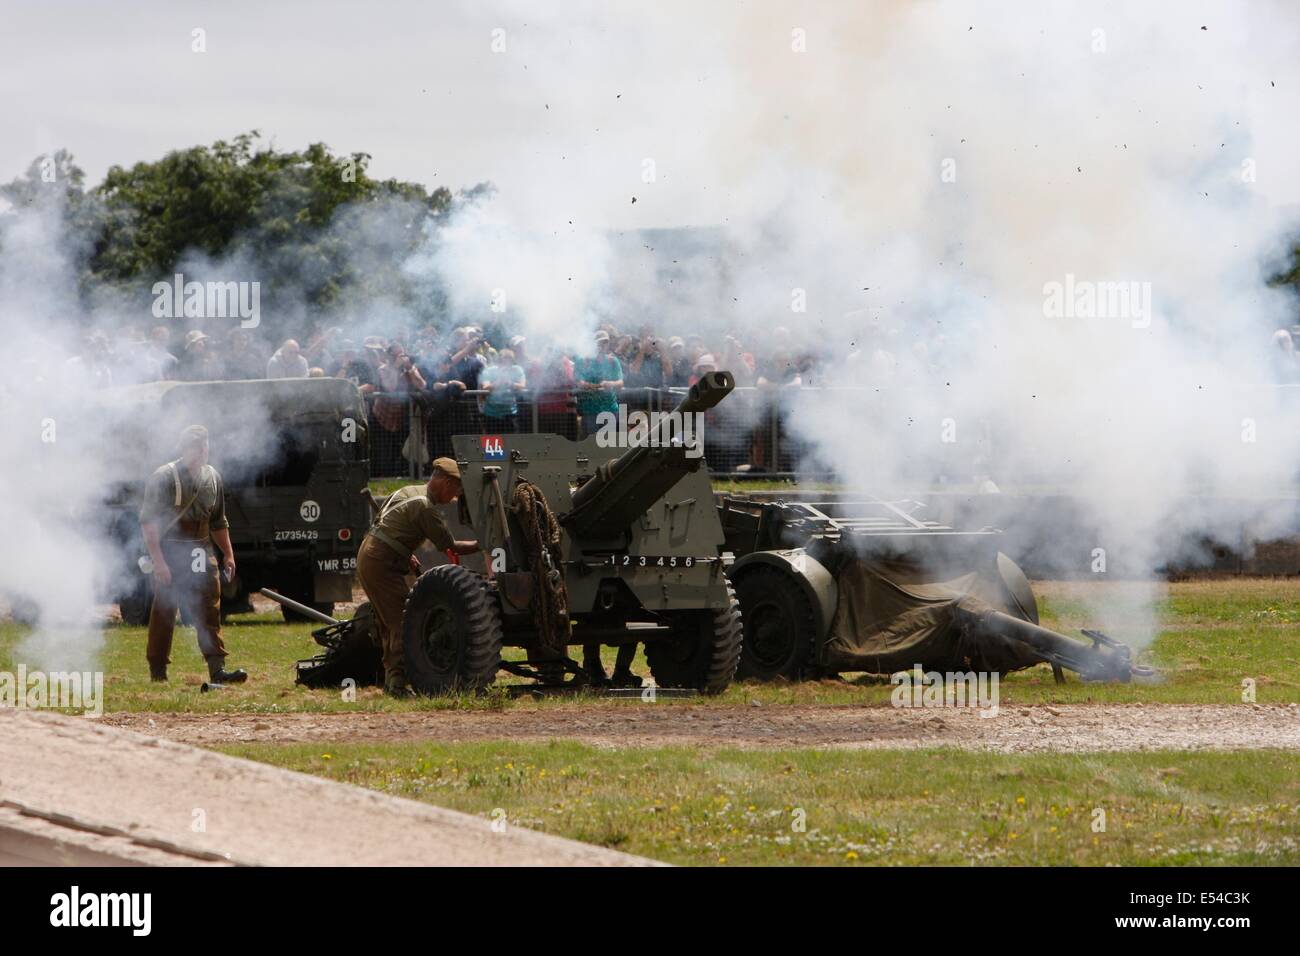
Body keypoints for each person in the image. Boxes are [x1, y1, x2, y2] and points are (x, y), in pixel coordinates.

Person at [355, 458, 480, 696]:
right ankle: (398, 686)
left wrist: (405, 552)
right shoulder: (424, 506)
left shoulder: (408, 491)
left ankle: (393, 680)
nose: (455, 497)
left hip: (370, 555)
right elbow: (451, 546)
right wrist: (483, 543)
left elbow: (384, 521)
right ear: (443, 482)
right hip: (381, 562)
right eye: (455, 489)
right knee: (404, 621)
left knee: (389, 623)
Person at [138, 425, 247, 685]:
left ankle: (217, 668)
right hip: (171, 549)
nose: (199, 453)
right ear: (183, 449)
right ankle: (158, 671)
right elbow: (149, 524)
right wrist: (160, 562)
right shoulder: (163, 477)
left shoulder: (213, 478)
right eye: (193, 448)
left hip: (201, 548)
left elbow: (218, 522)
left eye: (202, 447)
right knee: (165, 609)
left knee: (209, 606)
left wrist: (228, 555)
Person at [573, 330, 623, 437]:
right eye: (600, 342)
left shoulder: (613, 361)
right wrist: (598, 386)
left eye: (605, 342)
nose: (602, 345)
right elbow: (579, 382)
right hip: (590, 412)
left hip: (610, 410)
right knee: (591, 448)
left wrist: (610, 384)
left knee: (611, 446)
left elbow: (620, 382)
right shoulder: (583, 361)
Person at [480, 348, 526, 431]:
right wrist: (498, 382)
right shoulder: (489, 371)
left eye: (509, 360)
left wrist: (510, 383)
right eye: (504, 359)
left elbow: (522, 385)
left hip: (510, 414)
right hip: (492, 414)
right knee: (493, 443)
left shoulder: (517, 369)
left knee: (511, 442)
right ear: (499, 360)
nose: (506, 363)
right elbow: (485, 387)